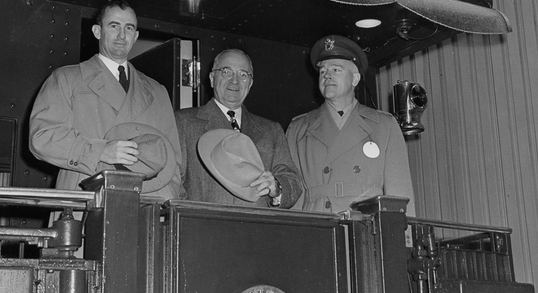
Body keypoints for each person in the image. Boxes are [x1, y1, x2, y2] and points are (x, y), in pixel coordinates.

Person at [29, 0, 181, 199]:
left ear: (135, 36)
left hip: (146, 202)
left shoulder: (157, 91)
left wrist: (169, 202)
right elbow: (42, 138)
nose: (121, 35)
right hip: (86, 198)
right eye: (114, 26)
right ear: (97, 32)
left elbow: (173, 161)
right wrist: (100, 152)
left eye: (128, 28)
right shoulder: (67, 78)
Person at [286, 35, 416, 215]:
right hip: (319, 227)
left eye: (336, 70)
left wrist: (403, 239)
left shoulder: (384, 125)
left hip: (367, 228)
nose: (327, 76)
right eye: (323, 71)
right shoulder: (298, 128)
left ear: (355, 79)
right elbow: (294, 197)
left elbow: (400, 194)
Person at [175, 49, 302, 207]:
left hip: (257, 229)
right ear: (212, 78)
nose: (234, 81)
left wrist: (277, 187)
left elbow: (293, 183)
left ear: (250, 84)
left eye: (243, 75)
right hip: (205, 228)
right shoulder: (183, 122)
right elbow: (173, 184)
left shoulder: (271, 130)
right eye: (226, 72)